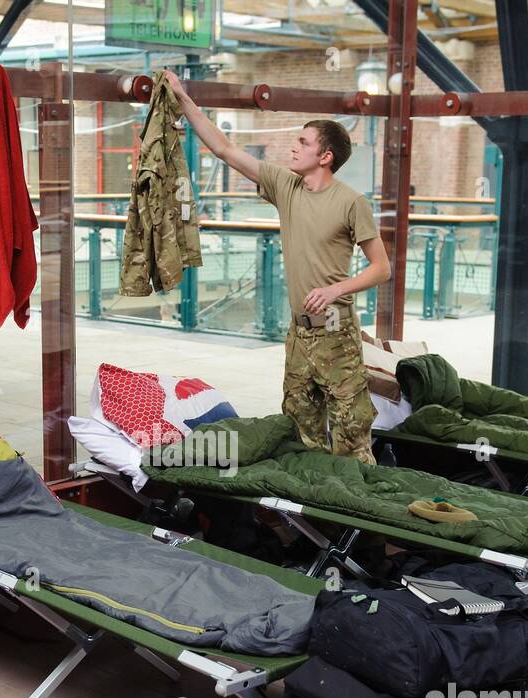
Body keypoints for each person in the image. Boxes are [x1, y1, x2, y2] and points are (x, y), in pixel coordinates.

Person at [164, 69, 391, 464]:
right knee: (301, 434)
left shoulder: (352, 202)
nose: (293, 147)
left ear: (325, 156)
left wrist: (336, 290)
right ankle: (310, 510)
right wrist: (183, 100)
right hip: (299, 335)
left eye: (303, 142)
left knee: (351, 442)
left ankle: (361, 521)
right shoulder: (285, 186)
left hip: (337, 336)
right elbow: (225, 150)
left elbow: (381, 268)